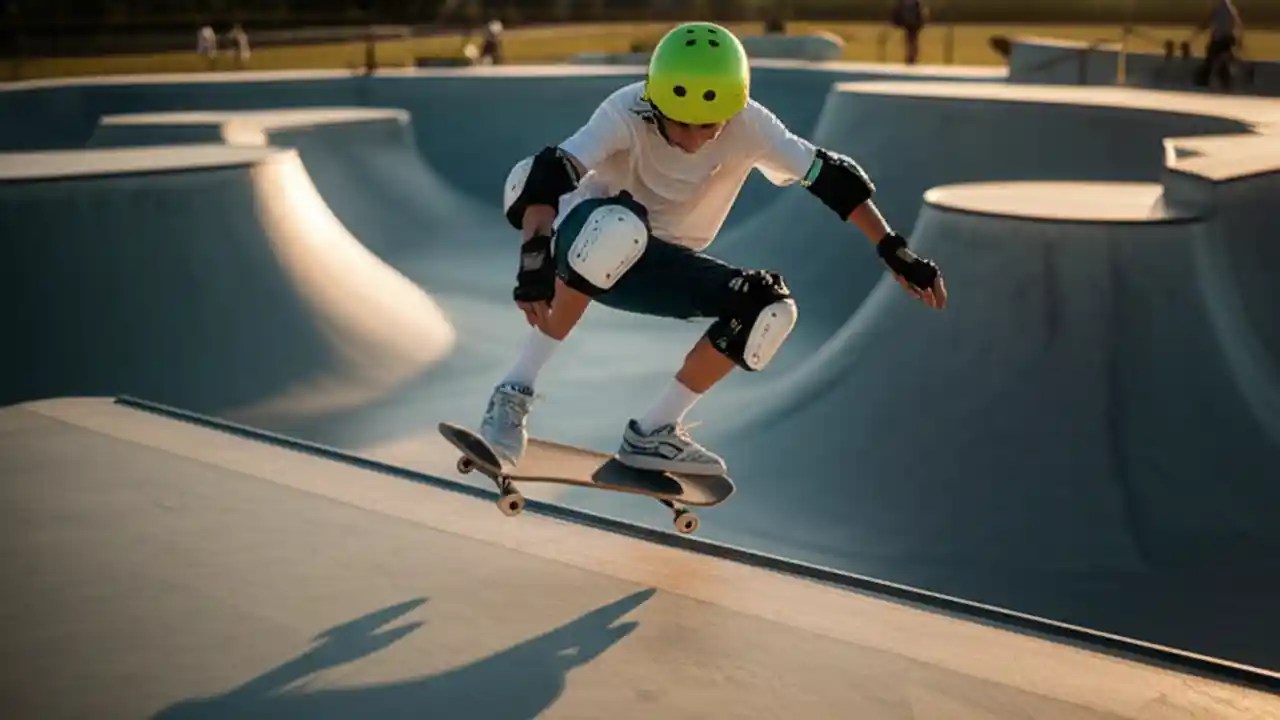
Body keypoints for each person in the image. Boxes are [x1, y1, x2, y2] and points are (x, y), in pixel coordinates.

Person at [480, 22, 947, 475]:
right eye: (678, 125)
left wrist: (893, 249)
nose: (691, 139)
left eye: (709, 127)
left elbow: (833, 180)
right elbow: (548, 177)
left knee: (767, 307)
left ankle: (654, 431)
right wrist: (534, 261)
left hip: (660, 266)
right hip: (582, 236)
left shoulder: (752, 125)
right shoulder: (624, 110)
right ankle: (513, 391)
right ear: (655, 103)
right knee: (616, 229)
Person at [1190, 0, 1243, 90]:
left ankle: (1202, 83)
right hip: (1228, 40)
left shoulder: (1218, 7)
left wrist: (1195, 34)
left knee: (1210, 61)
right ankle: (1226, 82)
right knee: (1223, 61)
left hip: (1218, 40)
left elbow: (1207, 21)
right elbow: (1238, 24)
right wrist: (1239, 40)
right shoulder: (1231, 9)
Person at [890, 0, 929, 65]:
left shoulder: (905, 2)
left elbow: (897, 10)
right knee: (913, 41)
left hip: (908, 23)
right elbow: (922, 12)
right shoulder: (916, 3)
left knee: (909, 40)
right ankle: (913, 57)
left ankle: (910, 57)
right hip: (914, 24)